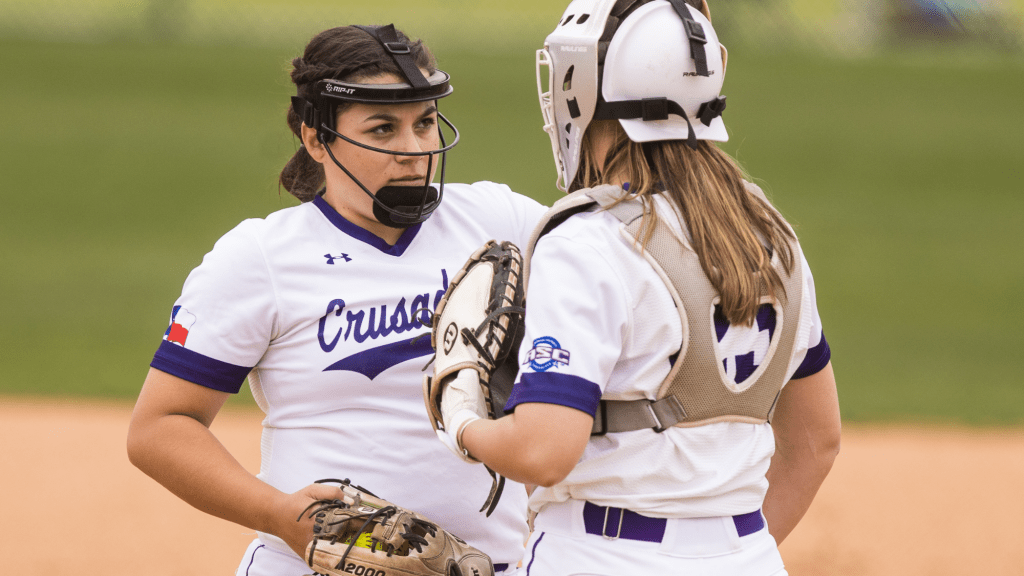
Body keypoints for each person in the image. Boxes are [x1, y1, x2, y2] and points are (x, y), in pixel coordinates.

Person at [431, 1, 841, 574]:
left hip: (601, 554)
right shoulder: (769, 231)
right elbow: (817, 441)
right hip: (749, 556)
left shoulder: (589, 241)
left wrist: (460, 421)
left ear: (585, 89)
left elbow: (544, 453)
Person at [126, 24, 545, 576]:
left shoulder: (503, 221)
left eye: (423, 123)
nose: (415, 150)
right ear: (316, 139)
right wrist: (277, 514)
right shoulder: (261, 257)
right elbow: (159, 427)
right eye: (383, 128)